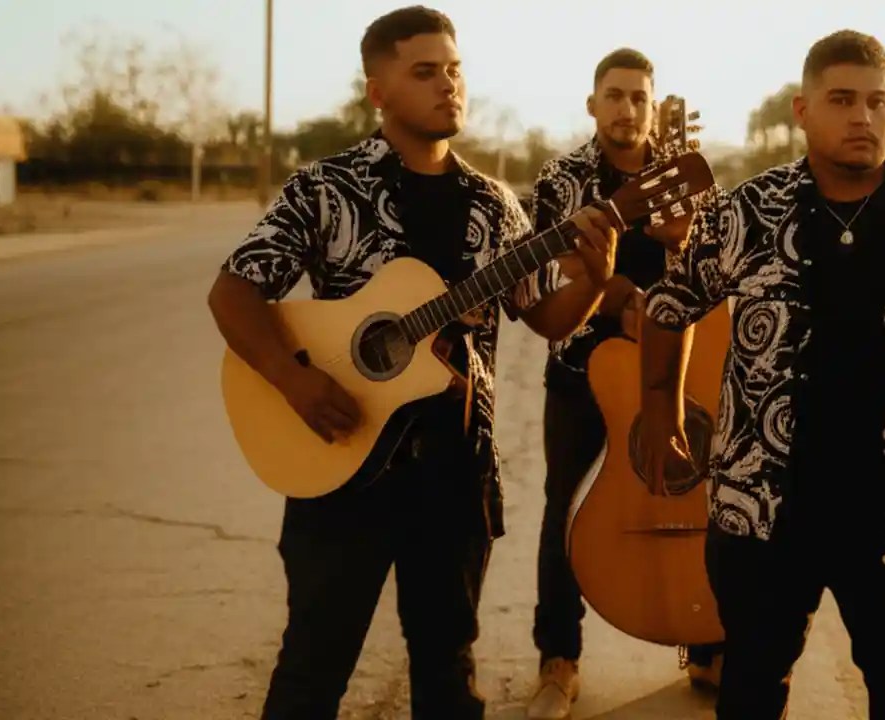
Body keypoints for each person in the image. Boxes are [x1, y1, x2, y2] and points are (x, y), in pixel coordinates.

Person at [205, 7, 620, 719]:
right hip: (338, 461)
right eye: (424, 72)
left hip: (455, 475)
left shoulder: (494, 206)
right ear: (378, 91)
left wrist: (593, 280)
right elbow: (233, 292)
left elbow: (546, 318)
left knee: (448, 676)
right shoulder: (326, 188)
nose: (447, 85)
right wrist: (295, 380)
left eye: (454, 70)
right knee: (312, 669)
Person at [638, 29, 885, 719]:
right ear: (803, 109)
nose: (863, 117)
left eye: (878, 102)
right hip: (762, 507)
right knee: (751, 684)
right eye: (842, 100)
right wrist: (661, 410)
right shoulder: (749, 212)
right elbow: (669, 308)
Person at [523, 47, 723, 720]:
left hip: (677, 372)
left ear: (655, 105)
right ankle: (559, 660)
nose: (627, 108)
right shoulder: (563, 178)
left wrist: (681, 237)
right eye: (614, 95)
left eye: (639, 96)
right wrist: (621, 303)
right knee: (564, 510)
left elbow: (718, 272)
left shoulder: (687, 177)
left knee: (699, 499)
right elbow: (554, 273)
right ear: (592, 104)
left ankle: (704, 641)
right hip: (584, 367)